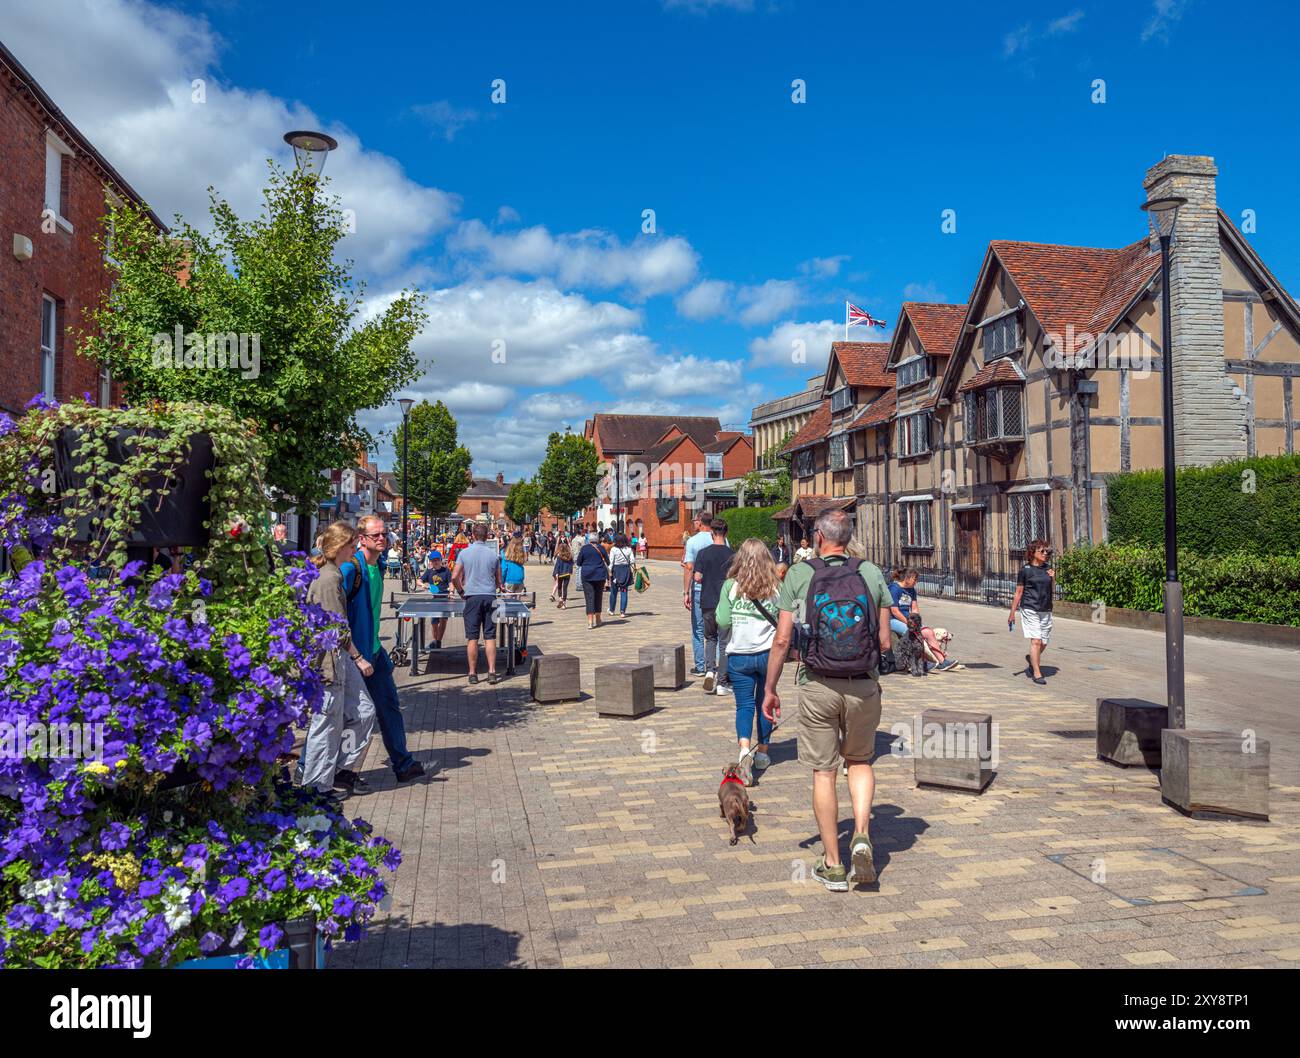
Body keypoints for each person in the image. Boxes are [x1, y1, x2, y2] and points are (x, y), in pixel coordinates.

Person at [761, 509, 891, 893]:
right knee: (860, 760)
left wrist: (771, 688)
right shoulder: (870, 573)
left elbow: (783, 640)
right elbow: (884, 642)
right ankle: (863, 834)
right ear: (848, 538)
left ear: (818, 536)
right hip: (863, 683)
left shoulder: (801, 575)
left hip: (818, 684)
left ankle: (833, 864)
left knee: (824, 772)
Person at [340, 516, 424, 783]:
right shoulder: (350, 569)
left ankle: (403, 763)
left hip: (375, 652)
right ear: (361, 539)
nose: (381, 538)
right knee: (350, 715)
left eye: (383, 534)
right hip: (355, 656)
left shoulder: (380, 566)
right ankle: (341, 770)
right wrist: (351, 651)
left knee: (390, 707)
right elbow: (331, 608)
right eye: (375, 535)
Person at [301, 521, 376, 798]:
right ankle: (315, 787)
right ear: (341, 546)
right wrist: (358, 658)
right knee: (326, 725)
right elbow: (336, 627)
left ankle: (341, 770)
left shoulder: (332, 573)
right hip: (329, 661)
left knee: (364, 712)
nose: (355, 548)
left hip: (339, 658)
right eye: (352, 543)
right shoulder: (329, 578)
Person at [715, 539, 782, 786]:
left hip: (739, 655)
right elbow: (786, 621)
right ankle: (763, 753)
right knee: (766, 702)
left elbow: (722, 620)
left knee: (744, 706)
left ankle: (745, 749)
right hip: (768, 655)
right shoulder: (776, 587)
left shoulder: (730, 586)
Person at [451, 521, 504, 685]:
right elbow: (499, 581)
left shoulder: (464, 554)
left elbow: (454, 577)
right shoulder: (494, 556)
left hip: (472, 597)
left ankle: (472, 673)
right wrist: (492, 587)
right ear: (487, 536)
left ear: (472, 536)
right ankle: (492, 672)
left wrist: (461, 591)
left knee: (472, 637)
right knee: (490, 636)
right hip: (490, 597)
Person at [693, 518, 735, 695]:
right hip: (725, 602)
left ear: (712, 534)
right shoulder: (732, 554)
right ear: (725, 533)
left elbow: (696, 577)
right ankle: (722, 683)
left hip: (707, 601)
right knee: (725, 642)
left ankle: (710, 670)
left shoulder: (703, 553)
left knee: (710, 638)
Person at [1009, 540, 1055, 685]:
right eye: (1042, 551)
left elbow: (1050, 589)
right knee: (1036, 640)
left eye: (1047, 551)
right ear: (1032, 553)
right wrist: (1012, 613)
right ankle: (1036, 672)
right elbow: (1018, 593)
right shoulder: (1025, 570)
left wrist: (1053, 578)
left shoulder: (1048, 568)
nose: (1045, 554)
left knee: (1044, 642)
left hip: (1046, 608)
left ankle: (1032, 659)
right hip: (1030, 608)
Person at [681, 511, 715, 676]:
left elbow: (689, 568)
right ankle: (713, 666)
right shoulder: (721, 539)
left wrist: (685, 592)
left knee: (698, 629)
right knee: (716, 630)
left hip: (699, 590)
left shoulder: (692, 541)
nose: (693, 523)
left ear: (700, 522)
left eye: (694, 520)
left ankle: (700, 666)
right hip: (717, 590)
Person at [576, 532, 610, 629]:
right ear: (598, 539)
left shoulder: (584, 549)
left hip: (587, 576)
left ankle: (590, 622)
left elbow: (579, 562)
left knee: (589, 597)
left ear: (589, 540)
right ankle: (598, 619)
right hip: (600, 575)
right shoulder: (602, 548)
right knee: (598, 596)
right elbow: (608, 561)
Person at [418, 549, 451, 649]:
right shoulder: (429, 572)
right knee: (434, 622)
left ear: (440, 560)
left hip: (445, 599)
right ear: (431, 562)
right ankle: (435, 640)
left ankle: (438, 641)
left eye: (437, 560)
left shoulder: (446, 571)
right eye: (433, 560)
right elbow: (418, 581)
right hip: (435, 599)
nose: (435, 562)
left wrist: (451, 591)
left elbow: (451, 583)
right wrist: (424, 585)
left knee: (443, 621)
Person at [607, 532, 636, 617]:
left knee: (614, 592)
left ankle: (612, 610)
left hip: (616, 571)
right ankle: (622, 612)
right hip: (625, 571)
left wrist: (609, 572)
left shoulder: (613, 549)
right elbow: (632, 561)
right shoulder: (629, 549)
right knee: (624, 591)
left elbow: (611, 562)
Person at [552, 539, 574, 608]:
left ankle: (560, 598)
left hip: (561, 573)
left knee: (559, 587)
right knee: (565, 588)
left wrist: (555, 573)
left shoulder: (559, 556)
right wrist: (570, 571)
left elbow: (557, 565)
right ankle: (564, 603)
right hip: (567, 574)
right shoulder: (570, 556)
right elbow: (571, 564)